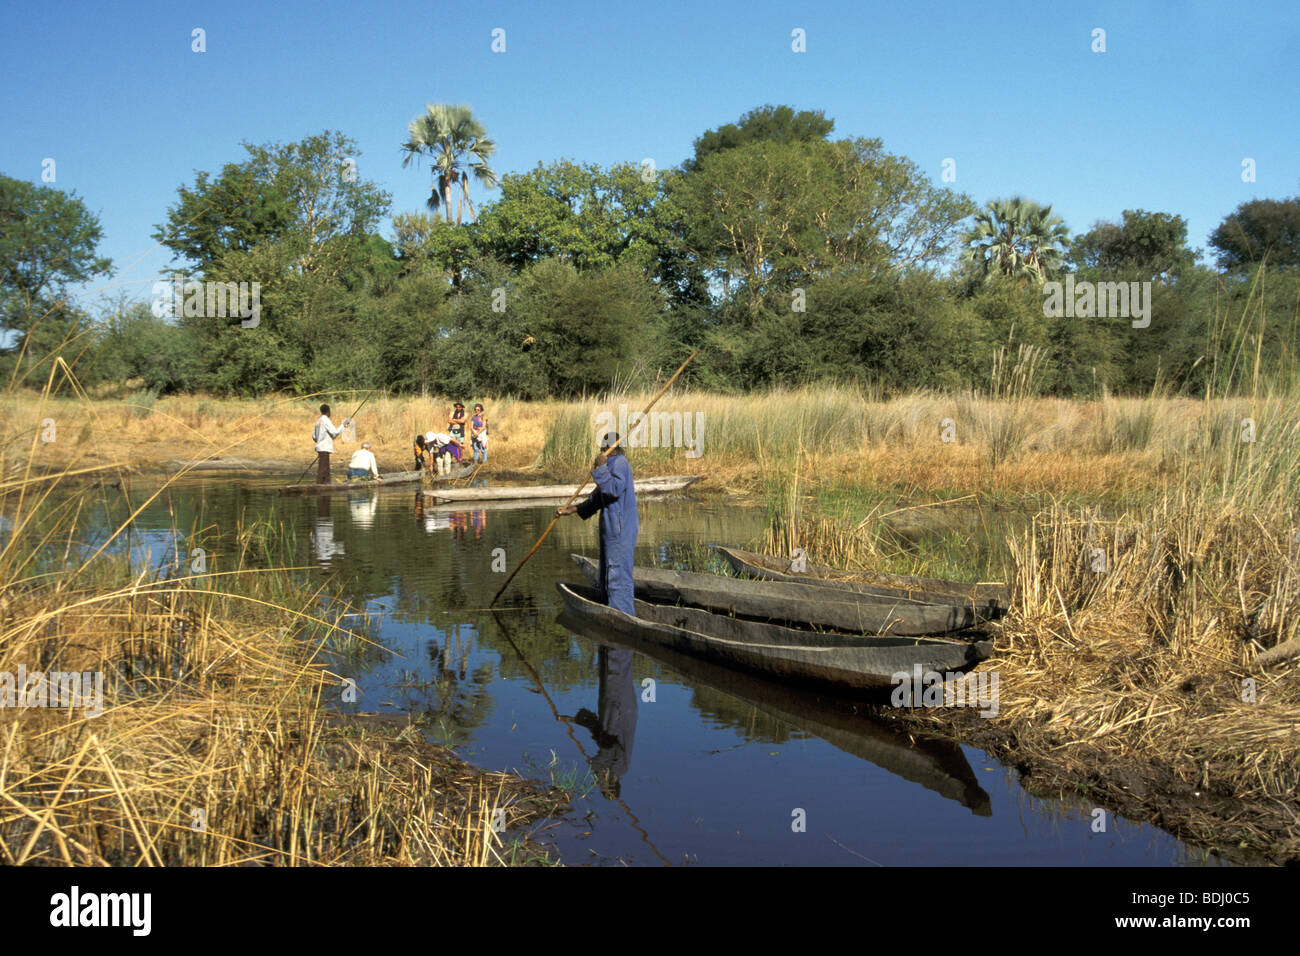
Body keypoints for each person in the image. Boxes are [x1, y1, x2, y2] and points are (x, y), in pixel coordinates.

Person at [556, 432, 639, 616]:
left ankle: (621, 616)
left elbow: (614, 490)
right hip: (611, 530)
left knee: (617, 574)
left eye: (604, 448)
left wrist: (601, 468)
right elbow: (599, 496)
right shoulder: (611, 465)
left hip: (620, 530)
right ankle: (609, 610)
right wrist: (576, 509)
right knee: (607, 573)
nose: (601, 452)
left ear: (612, 449)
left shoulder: (619, 463)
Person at [313, 404, 344, 484]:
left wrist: (320, 440)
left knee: (325, 468)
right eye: (330, 411)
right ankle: (320, 484)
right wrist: (343, 425)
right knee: (323, 468)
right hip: (324, 447)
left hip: (320, 447)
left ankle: (326, 483)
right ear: (328, 411)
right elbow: (335, 432)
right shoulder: (325, 420)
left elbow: (314, 436)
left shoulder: (318, 421)